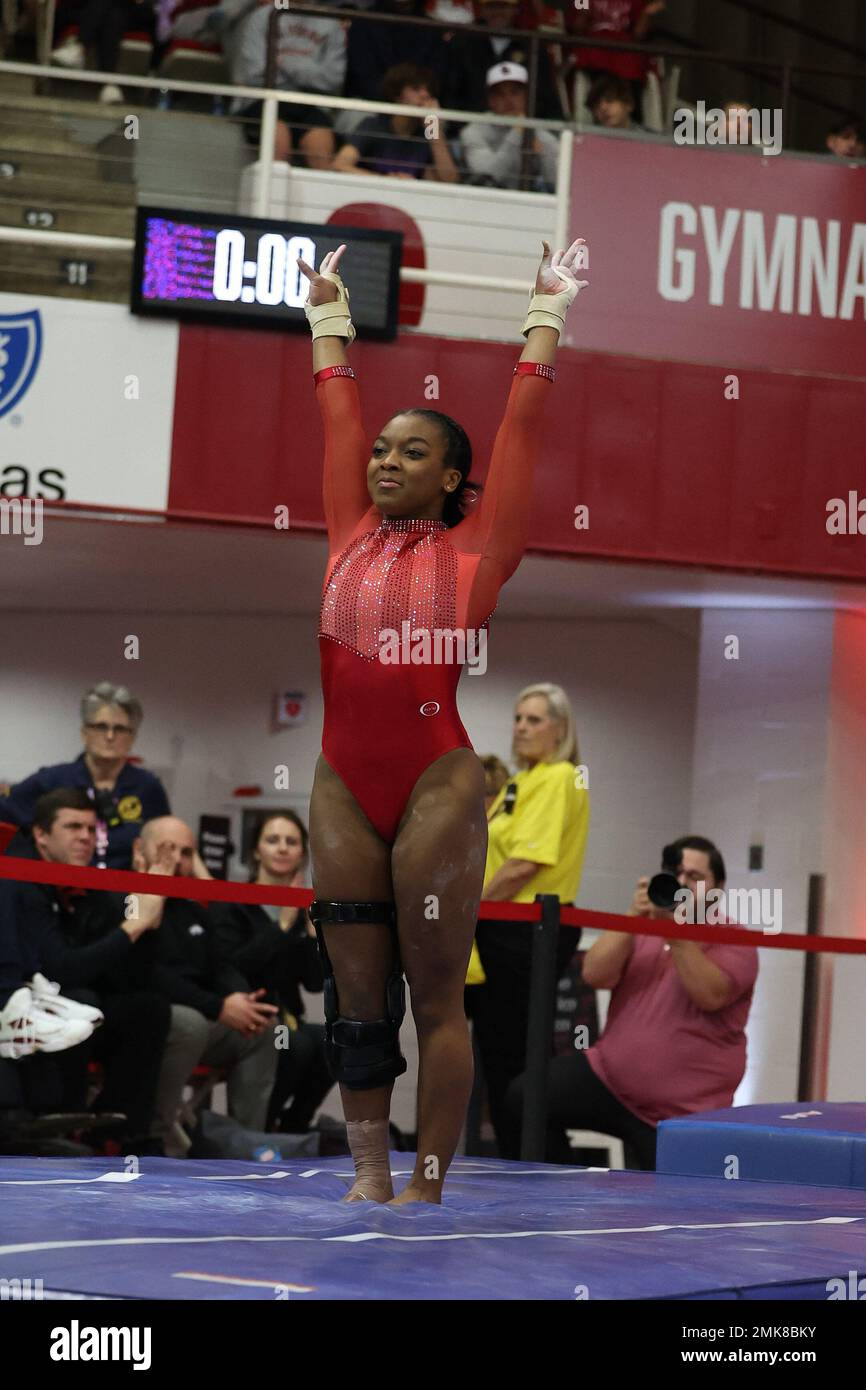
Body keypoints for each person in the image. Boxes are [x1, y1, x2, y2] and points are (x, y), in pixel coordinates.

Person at [296, 231, 588, 1203]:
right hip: (340, 779)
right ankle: (368, 1175)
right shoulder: (347, 528)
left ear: (450, 477)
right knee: (356, 999)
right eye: (382, 449)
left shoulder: (480, 551)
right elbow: (336, 416)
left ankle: (426, 1181)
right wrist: (326, 314)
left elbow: (522, 431)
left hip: (436, 779)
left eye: (410, 452)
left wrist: (544, 313)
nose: (383, 461)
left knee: (434, 998)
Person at [505, 836, 759, 1169]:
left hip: (681, 1113)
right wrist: (632, 916)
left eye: (695, 878)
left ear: (718, 888)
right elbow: (594, 974)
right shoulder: (643, 925)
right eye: (675, 874)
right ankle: (555, 1190)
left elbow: (710, 996)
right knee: (524, 1098)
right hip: (609, 1082)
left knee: (668, 1207)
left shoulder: (735, 939)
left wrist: (674, 933)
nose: (682, 884)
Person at [12, 788, 172, 1152]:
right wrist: (134, 926)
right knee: (81, 998)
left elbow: (128, 974)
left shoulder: (92, 885)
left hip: (66, 1001)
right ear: (41, 834)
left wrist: (150, 917)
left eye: (90, 829)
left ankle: (115, 1129)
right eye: (72, 827)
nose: (85, 837)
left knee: (147, 1008)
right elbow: (63, 969)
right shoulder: (22, 881)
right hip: (22, 1005)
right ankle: (59, 1126)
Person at [470, 683, 589, 1156]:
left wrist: (469, 910)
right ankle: (516, 1165)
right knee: (498, 1059)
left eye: (534, 720)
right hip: (503, 927)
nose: (521, 727)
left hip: (526, 929)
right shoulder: (522, 781)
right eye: (518, 718)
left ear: (559, 729)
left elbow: (527, 862)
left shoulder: (561, 776)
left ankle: (545, 1166)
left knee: (515, 1062)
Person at [140, 816, 280, 1153]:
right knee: (190, 1024)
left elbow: (220, 965)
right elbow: (148, 976)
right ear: (139, 852)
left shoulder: (193, 910)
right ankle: (155, 1136)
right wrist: (218, 1007)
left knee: (262, 1026)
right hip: (153, 1021)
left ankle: (246, 1144)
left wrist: (238, 999)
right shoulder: (127, 902)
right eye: (166, 849)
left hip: (201, 1019)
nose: (176, 860)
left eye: (186, 853)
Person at [211, 811, 333, 1133]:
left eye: (291, 842)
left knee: (333, 1041)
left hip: (289, 1014)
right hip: (245, 1013)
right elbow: (233, 965)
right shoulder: (233, 901)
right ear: (255, 850)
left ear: (302, 854)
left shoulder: (306, 904)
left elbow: (314, 982)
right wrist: (280, 927)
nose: (282, 848)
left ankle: (293, 1128)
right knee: (293, 1045)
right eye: (273, 840)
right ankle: (260, 1128)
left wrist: (310, 935)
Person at [0, 681, 170, 870]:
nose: (110, 736)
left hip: (125, 894)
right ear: (84, 733)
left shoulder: (148, 787)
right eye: (101, 727)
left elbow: (165, 844)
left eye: (120, 729)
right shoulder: (51, 781)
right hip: (60, 892)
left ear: (133, 738)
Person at [227, 0, 347, 169]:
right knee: (278, 142)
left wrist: (284, 61)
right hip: (267, 99)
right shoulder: (265, 14)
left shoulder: (330, 22)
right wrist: (310, 74)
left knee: (321, 148)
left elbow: (332, 80)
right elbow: (256, 73)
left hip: (310, 104)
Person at [440, 0, 563, 123]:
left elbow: (547, 100)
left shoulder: (533, 46)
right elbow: (449, 95)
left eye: (504, 7)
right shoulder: (461, 44)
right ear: (482, 10)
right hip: (470, 131)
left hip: (523, 131)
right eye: (492, 6)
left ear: (515, 9)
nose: (498, 12)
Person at [333, 63, 458, 181]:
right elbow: (340, 165)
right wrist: (386, 180)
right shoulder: (374, 126)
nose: (425, 95)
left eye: (428, 90)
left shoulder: (428, 134)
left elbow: (449, 180)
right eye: (416, 89)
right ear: (397, 95)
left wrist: (433, 127)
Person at [460, 60, 558, 190]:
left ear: (527, 97)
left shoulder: (539, 132)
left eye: (515, 92)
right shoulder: (473, 131)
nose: (508, 100)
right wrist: (517, 132)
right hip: (483, 204)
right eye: (500, 94)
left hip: (528, 205)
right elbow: (487, 178)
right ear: (491, 100)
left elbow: (557, 185)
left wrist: (544, 155)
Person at [565, 0, 663, 120]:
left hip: (624, 49)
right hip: (593, 46)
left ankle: (633, 120)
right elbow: (576, 30)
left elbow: (638, 35)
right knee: (588, 61)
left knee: (636, 64)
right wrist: (583, 13)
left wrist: (647, 13)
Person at [51, 0, 157, 103]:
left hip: (130, 11)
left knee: (113, 12)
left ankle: (79, 48)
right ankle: (109, 83)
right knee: (113, 16)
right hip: (88, 8)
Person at [345, 0, 446, 105]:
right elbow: (363, 77)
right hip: (370, 105)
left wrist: (417, 99)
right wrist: (398, 100)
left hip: (421, 105)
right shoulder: (363, 22)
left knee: (434, 118)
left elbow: (435, 79)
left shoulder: (432, 29)